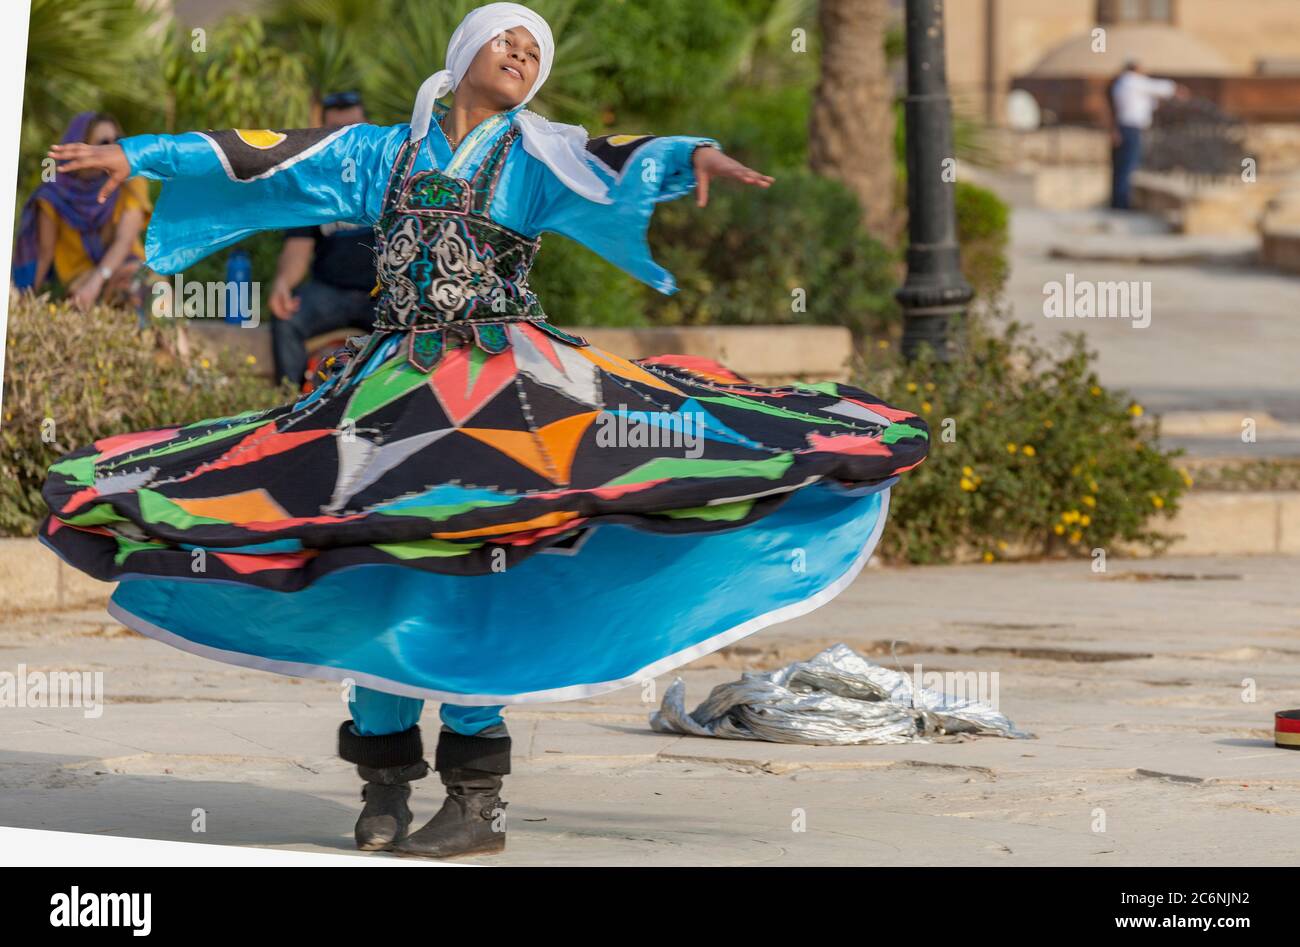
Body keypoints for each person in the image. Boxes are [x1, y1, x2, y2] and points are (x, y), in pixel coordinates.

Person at [38, 2, 929, 860]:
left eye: (535, 51)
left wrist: (686, 154)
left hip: (508, 389)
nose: (522, 54)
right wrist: (141, 157)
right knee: (372, 563)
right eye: (506, 39)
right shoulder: (380, 154)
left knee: (477, 566)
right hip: (387, 386)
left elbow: (607, 157)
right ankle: (383, 784)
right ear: (464, 51)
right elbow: (265, 155)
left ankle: (475, 801)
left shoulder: (535, 155)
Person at [269, 91, 380, 388]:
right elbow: (298, 245)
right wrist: (283, 283)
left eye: (353, 131)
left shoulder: (388, 169)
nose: (345, 140)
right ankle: (287, 405)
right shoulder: (312, 183)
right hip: (330, 291)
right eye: (335, 132)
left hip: (383, 293)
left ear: (367, 126)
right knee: (287, 318)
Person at [12, 112, 151, 309]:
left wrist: (96, 282)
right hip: (81, 278)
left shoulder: (130, 181)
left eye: (117, 141)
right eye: (104, 143)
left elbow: (124, 241)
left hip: (125, 266)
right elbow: (44, 254)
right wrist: (24, 302)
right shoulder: (53, 194)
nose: (112, 149)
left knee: (147, 289)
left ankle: (173, 338)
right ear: (79, 145)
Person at [1107, 59, 1190, 210]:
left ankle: (1118, 201)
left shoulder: (1121, 84)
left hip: (1124, 127)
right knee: (1128, 165)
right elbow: (1158, 87)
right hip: (1131, 128)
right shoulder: (1131, 81)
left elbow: (1148, 102)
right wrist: (1176, 89)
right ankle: (1122, 203)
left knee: (1121, 166)